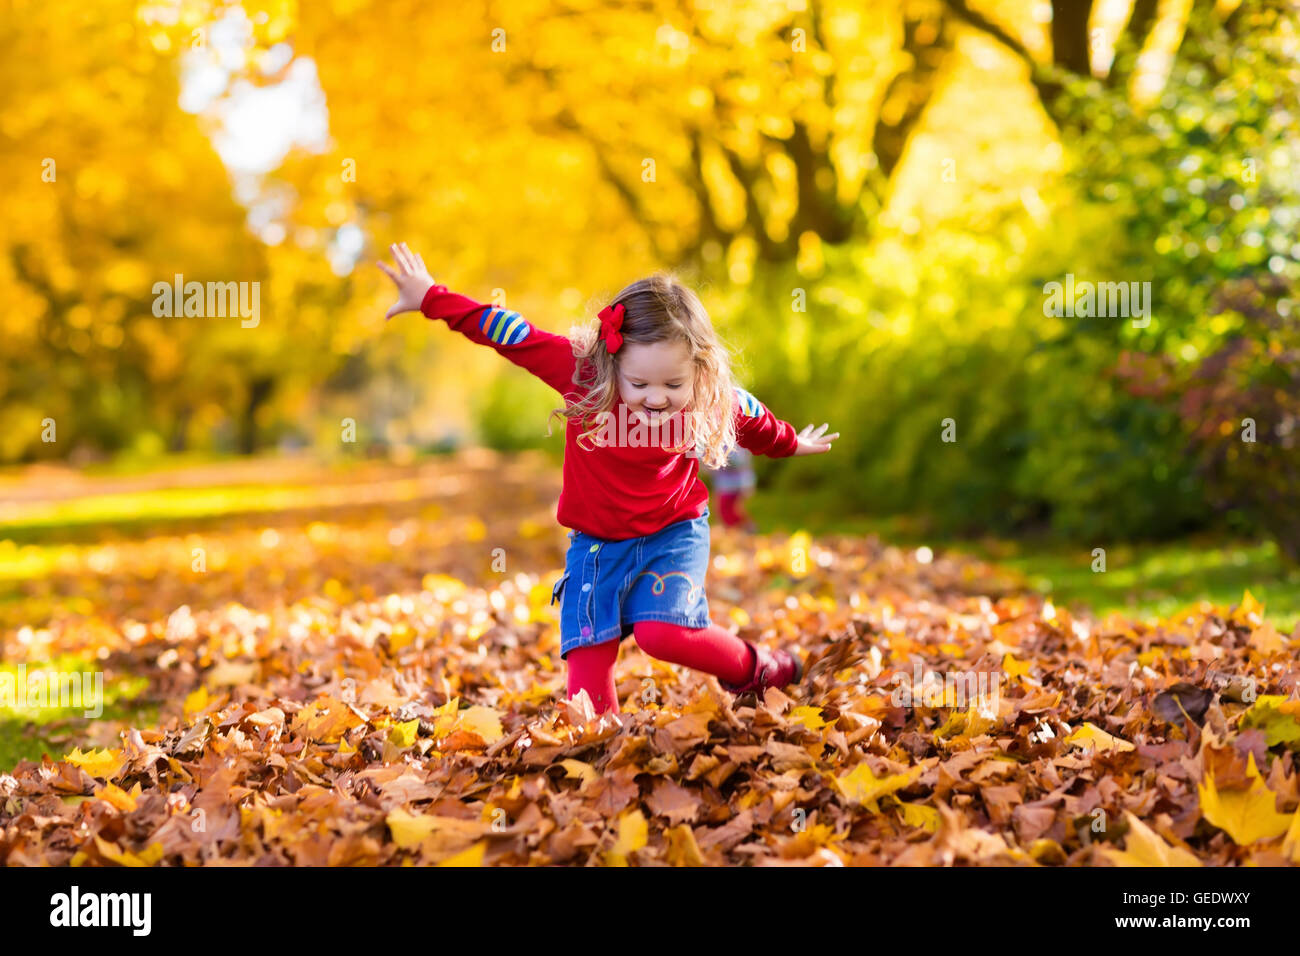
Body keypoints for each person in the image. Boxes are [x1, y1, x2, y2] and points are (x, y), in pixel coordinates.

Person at [378, 242, 838, 715]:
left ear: (698, 371)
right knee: (586, 698)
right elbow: (509, 332)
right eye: (639, 384)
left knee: (664, 633)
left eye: (672, 386)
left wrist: (790, 442)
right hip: (597, 546)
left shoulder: (706, 392)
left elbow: (752, 417)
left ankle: (757, 668)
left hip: (673, 531)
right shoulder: (580, 373)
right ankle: (607, 759)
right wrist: (432, 298)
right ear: (611, 362)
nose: (656, 399)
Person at [706, 445, 759, 532]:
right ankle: (734, 534)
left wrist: (719, 459)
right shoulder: (717, 439)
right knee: (723, 512)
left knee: (734, 511)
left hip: (737, 484)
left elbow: (740, 461)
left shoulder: (735, 442)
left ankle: (748, 531)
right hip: (724, 484)